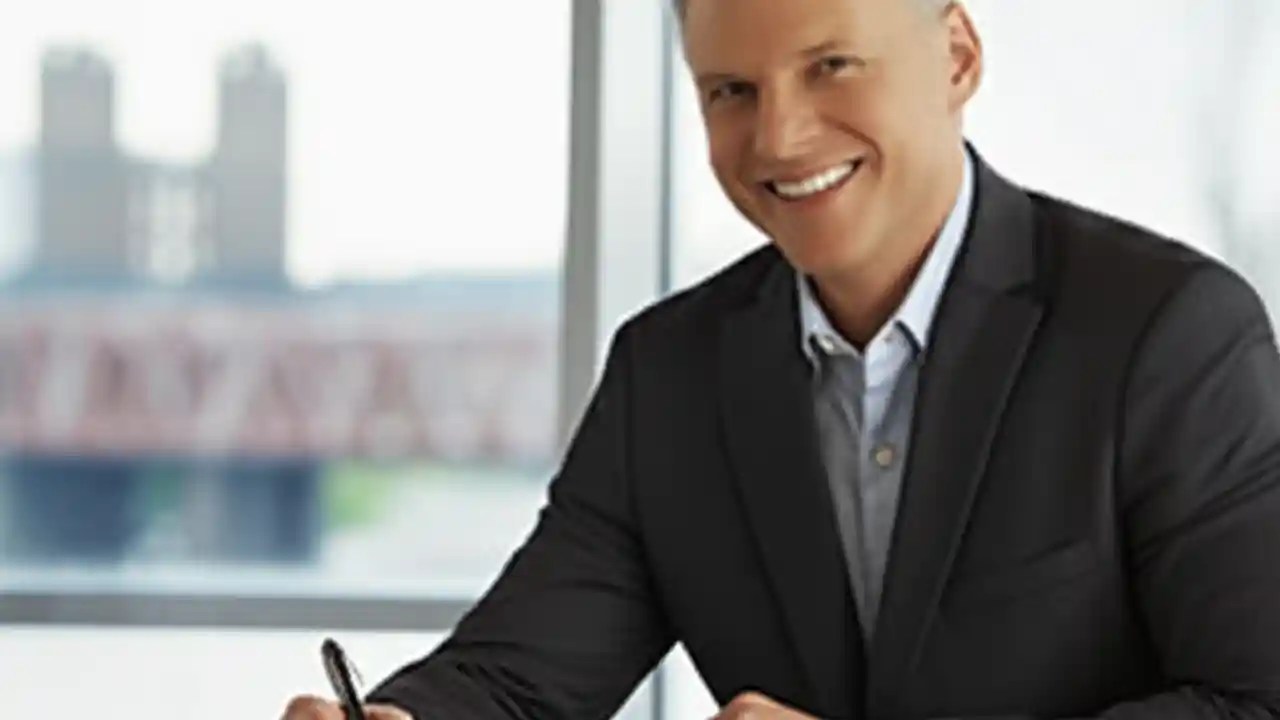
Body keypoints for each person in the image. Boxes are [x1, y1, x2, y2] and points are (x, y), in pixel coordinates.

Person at [283, 0, 1280, 717]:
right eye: (729, 89)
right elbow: (519, 681)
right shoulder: (667, 373)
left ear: (957, 56)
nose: (777, 135)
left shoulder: (1167, 333)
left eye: (829, 66)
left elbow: (1252, 703)